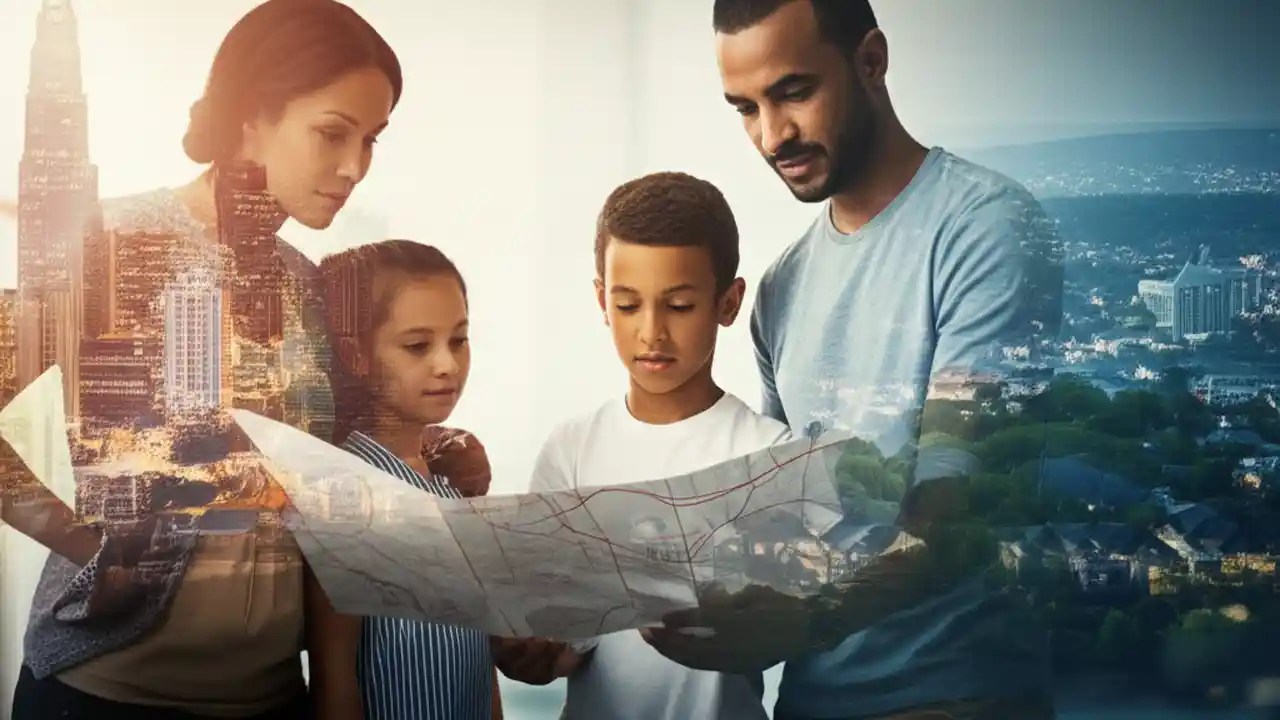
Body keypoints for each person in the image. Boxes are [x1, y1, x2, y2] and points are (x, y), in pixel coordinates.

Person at [641, 1, 1065, 719]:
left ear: (871, 62)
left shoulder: (987, 228)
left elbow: (956, 500)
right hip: (810, 701)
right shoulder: (781, 288)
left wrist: (801, 620)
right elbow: (791, 512)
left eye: (794, 92)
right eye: (745, 107)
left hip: (956, 694)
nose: (772, 135)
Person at [5, 1, 412, 716]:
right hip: (102, 695)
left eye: (372, 140)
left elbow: (335, 483)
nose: (354, 168)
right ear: (254, 116)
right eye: (332, 133)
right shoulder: (113, 239)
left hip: (271, 698)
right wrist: (87, 543)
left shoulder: (314, 287)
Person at [496, 171, 791, 720]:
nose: (651, 332)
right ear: (601, 300)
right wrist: (531, 651)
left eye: (678, 306)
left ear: (728, 303)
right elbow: (561, 640)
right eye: (628, 305)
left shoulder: (767, 455)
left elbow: (779, 627)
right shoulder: (571, 449)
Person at [308, 239, 503, 720]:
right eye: (418, 346)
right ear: (355, 355)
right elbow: (334, 682)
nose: (447, 365)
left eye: (459, 339)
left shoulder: (456, 486)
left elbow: (482, 669)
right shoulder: (346, 495)